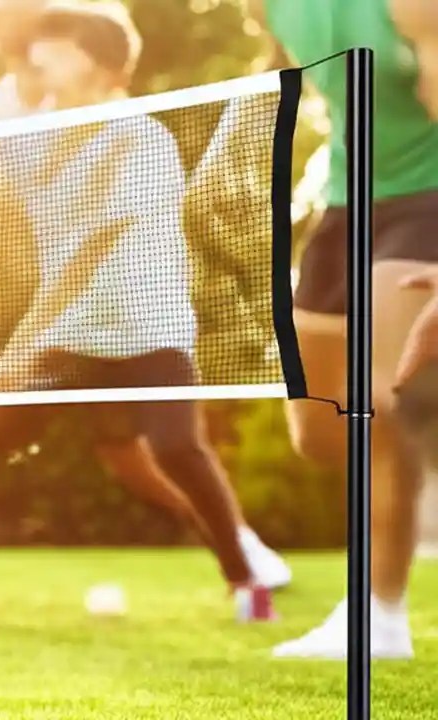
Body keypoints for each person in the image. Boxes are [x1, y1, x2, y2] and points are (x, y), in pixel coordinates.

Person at [0, 2, 275, 620]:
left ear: (104, 67)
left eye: (60, 46)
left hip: (148, 331)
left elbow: (86, 254)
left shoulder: (141, 135)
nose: (40, 54)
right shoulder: (36, 134)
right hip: (75, 339)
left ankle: (247, 583)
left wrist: (18, 348)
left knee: (177, 449)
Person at [246, 0, 438, 659]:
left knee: (377, 405)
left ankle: (378, 617)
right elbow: (307, 77)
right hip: (343, 203)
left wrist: (429, 39)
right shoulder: (276, 7)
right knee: (320, 431)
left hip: (426, 198)